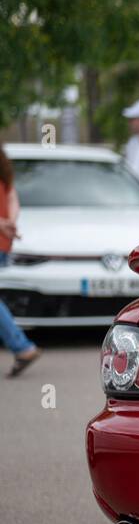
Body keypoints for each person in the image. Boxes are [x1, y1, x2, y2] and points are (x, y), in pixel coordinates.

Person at [0, 144, 40, 377]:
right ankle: (21, 346)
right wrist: (10, 223)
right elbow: (14, 199)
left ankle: (22, 346)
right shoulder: (4, 171)